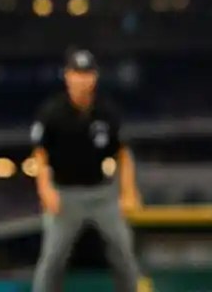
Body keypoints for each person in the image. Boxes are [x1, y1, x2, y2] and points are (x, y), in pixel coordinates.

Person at [31, 49, 143, 292]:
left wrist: (128, 191)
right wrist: (45, 189)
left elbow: (123, 154)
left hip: (102, 193)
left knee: (123, 252)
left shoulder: (107, 111)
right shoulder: (52, 112)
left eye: (87, 74)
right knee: (53, 258)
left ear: (95, 77)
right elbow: (40, 155)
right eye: (77, 74)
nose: (82, 80)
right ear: (67, 76)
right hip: (65, 194)